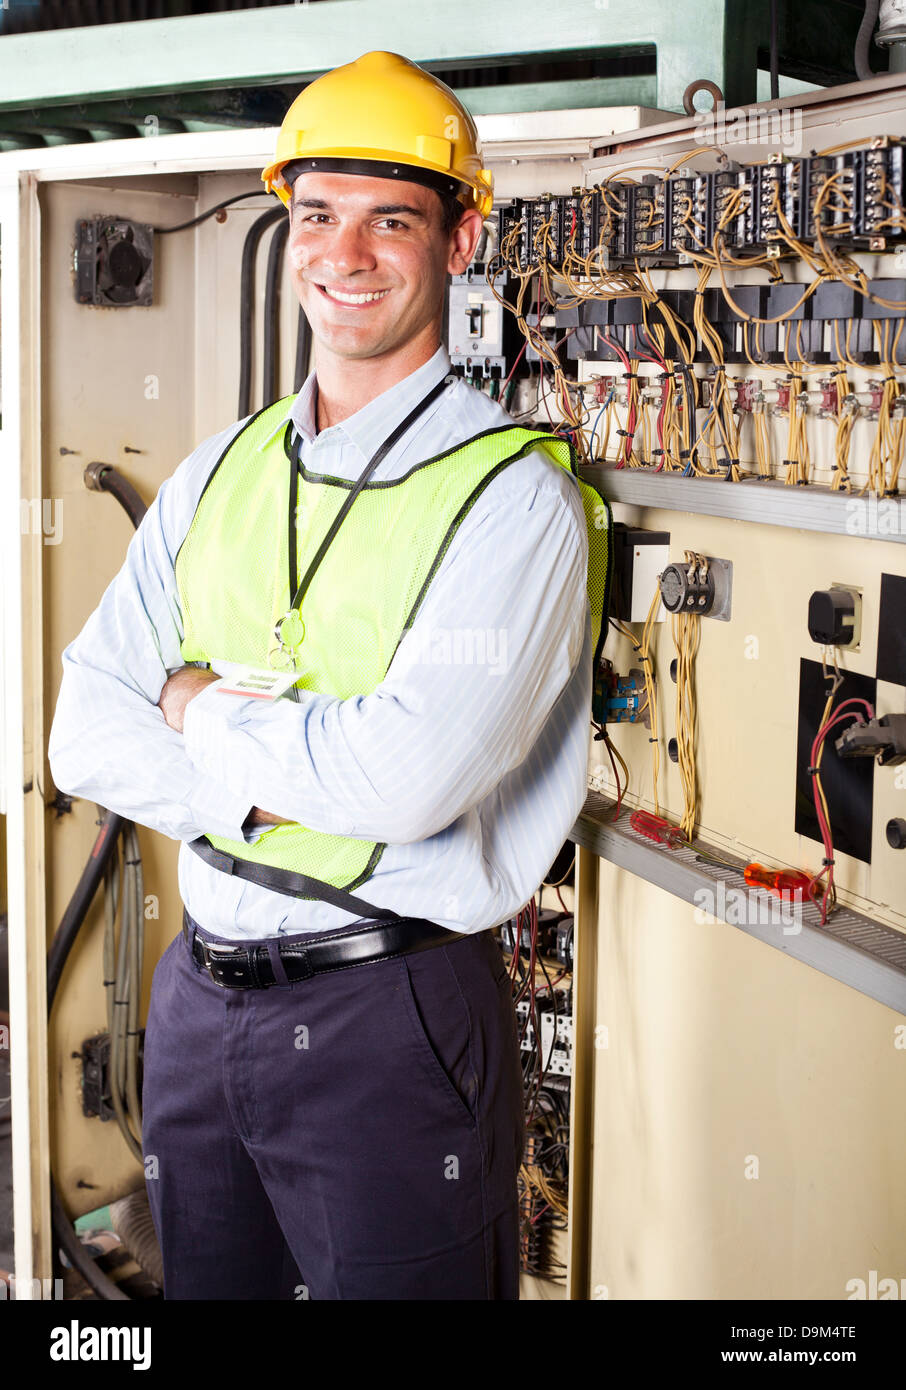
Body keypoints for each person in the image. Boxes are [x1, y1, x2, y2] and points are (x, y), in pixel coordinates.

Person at [48, 49, 596, 1301]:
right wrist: (284, 778)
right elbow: (84, 730)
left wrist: (195, 705)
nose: (344, 255)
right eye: (318, 216)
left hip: (385, 1019)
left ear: (458, 244)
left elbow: (403, 784)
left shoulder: (517, 503)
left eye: (390, 220)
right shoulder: (221, 472)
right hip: (200, 1000)